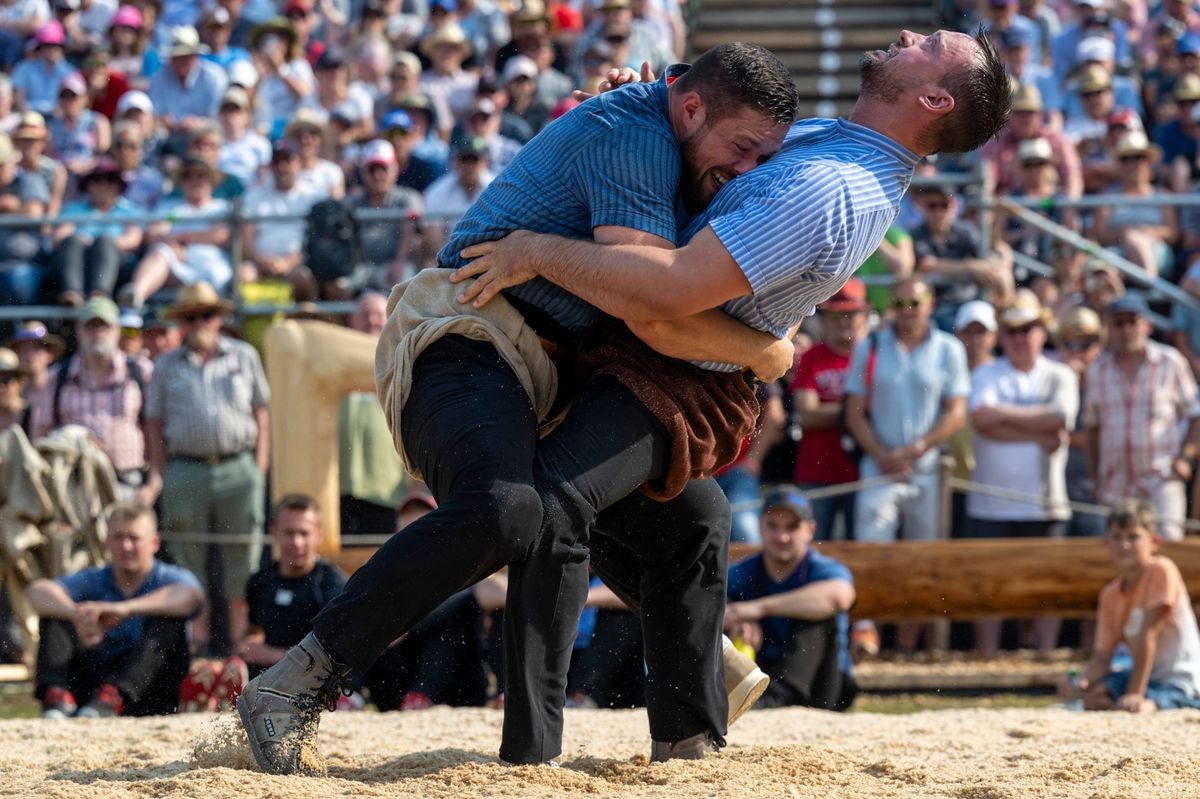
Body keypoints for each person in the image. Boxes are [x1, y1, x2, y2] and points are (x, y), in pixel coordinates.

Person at [238, 42, 801, 775]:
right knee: (510, 510)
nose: (750, 169)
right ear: (691, 108)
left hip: (556, 377)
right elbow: (650, 304)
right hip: (466, 334)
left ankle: (688, 744)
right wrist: (765, 354)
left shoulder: (671, 126)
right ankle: (298, 678)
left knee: (697, 516)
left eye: (766, 156)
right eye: (743, 149)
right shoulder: (633, 132)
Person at [448, 24, 1008, 756]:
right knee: (681, 524)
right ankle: (695, 704)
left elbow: (670, 292)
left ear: (935, 97)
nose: (908, 32)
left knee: (552, 502)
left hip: (675, 367)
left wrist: (534, 251)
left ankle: (512, 744)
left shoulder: (832, 182)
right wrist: (643, 127)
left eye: (929, 40)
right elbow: (692, 209)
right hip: (658, 350)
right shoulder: (830, 144)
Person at [142, 282, 270, 653]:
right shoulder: (165, 365)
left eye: (206, 315)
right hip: (186, 468)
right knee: (187, 556)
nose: (200, 321)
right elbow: (153, 423)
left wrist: (258, 468)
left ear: (218, 318)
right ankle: (196, 648)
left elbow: (262, 413)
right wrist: (164, 472)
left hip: (238, 466)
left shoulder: (244, 356)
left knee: (243, 558)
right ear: (181, 322)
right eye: (192, 316)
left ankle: (238, 648)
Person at [844, 276, 969, 652]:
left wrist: (914, 450)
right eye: (900, 304)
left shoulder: (949, 349)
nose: (907, 311)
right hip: (879, 467)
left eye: (914, 303)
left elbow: (956, 413)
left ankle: (910, 644)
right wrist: (883, 454)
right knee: (871, 550)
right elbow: (853, 412)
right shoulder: (871, 346)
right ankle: (867, 632)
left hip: (927, 469)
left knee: (922, 555)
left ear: (931, 304)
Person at [966, 292, 1078, 656]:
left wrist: (1004, 416)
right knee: (988, 584)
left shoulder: (1060, 372)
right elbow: (982, 421)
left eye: (1026, 329)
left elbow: (1061, 419)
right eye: (1012, 330)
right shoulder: (986, 371)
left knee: (1049, 584)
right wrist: (1038, 428)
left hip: (1045, 501)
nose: (1018, 337)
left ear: (1042, 332)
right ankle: (988, 656)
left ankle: (1044, 654)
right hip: (990, 500)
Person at [28, 503, 203, 718]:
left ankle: (116, 697)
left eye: (134, 538)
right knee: (55, 613)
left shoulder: (170, 577)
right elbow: (37, 592)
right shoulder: (94, 578)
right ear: (107, 542)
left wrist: (124, 609)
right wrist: (79, 614)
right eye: (118, 537)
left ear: (154, 542)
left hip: (149, 690)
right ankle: (57, 697)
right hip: (94, 684)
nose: (126, 546)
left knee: (170, 622)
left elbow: (192, 597)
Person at [1060, 499, 1200, 712]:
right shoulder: (1109, 595)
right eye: (1116, 537)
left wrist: (1134, 692)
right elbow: (1102, 658)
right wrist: (1080, 682)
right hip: (1145, 675)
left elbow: (1148, 634)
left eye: (1133, 537)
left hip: (1178, 679)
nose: (1124, 545)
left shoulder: (1161, 570)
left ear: (1153, 541)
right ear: (1106, 541)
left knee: (1138, 707)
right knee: (1092, 698)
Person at [725, 486, 856, 710]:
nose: (782, 536)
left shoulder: (824, 568)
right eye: (773, 526)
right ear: (760, 527)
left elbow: (838, 597)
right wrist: (735, 617)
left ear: (810, 530)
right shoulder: (743, 571)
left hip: (823, 687)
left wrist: (753, 610)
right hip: (762, 678)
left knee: (819, 616)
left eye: (792, 527)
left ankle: (778, 696)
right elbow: (705, 604)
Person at [1082, 294, 1200, 541]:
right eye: (1119, 323)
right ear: (1109, 328)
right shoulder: (1097, 370)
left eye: (1132, 321)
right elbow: (1091, 429)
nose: (1126, 329)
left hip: (1161, 479)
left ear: (1147, 325)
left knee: (1169, 549)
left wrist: (1186, 458)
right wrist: (1095, 478)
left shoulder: (1171, 362)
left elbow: (1195, 415)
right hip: (1116, 484)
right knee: (1119, 555)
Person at [29, 296, 153, 499]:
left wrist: (152, 486)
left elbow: (154, 430)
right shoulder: (56, 378)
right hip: (73, 486)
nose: (97, 332)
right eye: (90, 326)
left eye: (104, 325)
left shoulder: (141, 372)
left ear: (116, 330)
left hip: (129, 482)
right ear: (79, 331)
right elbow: (40, 438)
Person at [790, 279, 870, 541]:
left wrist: (835, 412)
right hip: (817, 471)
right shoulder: (812, 357)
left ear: (865, 317)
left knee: (860, 549)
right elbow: (807, 415)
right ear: (824, 319)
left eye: (851, 314)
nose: (843, 321)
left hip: (864, 473)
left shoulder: (876, 357)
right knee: (812, 547)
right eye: (836, 314)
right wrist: (857, 411)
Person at [238, 494, 346, 680]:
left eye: (304, 533)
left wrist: (271, 655)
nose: (297, 543)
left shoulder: (332, 584)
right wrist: (248, 646)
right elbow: (255, 629)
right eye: (289, 533)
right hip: (267, 676)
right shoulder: (260, 581)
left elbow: (336, 651)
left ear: (318, 534)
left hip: (317, 680)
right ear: (273, 532)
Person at [338, 292, 410, 539]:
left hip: (387, 490)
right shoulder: (336, 361)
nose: (372, 320)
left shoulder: (403, 359)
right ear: (350, 320)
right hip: (338, 488)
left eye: (379, 314)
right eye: (364, 313)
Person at [238, 140, 323, 299]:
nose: (282, 167)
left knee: (304, 279)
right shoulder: (253, 197)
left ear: (298, 164)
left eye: (287, 161)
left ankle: (304, 321)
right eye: (277, 162)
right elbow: (247, 238)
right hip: (259, 263)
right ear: (270, 166)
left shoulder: (313, 197)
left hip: (297, 264)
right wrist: (259, 260)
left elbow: (315, 241)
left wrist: (288, 262)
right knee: (242, 275)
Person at [51, 158, 141, 306]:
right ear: (88, 185)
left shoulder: (129, 210)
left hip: (117, 263)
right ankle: (72, 295)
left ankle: (99, 295)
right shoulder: (74, 209)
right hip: (79, 261)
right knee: (72, 241)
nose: (103, 185)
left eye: (110, 180)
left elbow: (134, 239)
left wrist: (101, 244)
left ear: (118, 185)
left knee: (104, 242)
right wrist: (83, 241)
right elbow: (60, 237)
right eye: (97, 180)